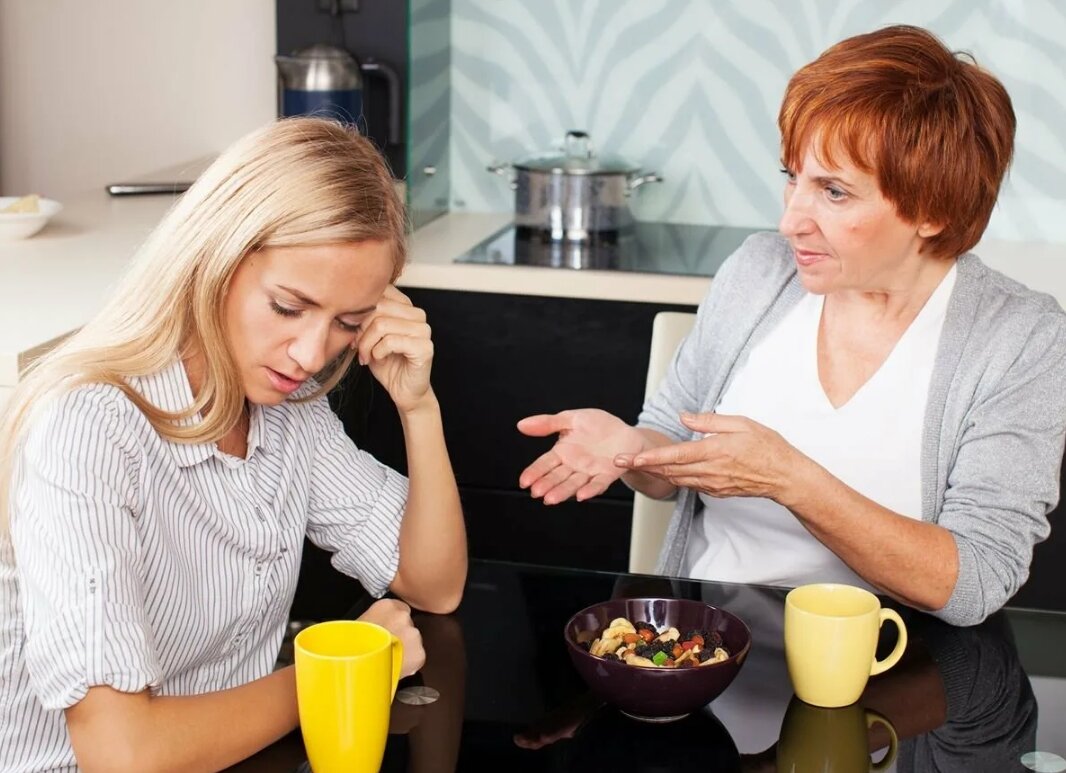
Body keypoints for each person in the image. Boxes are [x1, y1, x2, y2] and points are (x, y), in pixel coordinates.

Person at [517, 24, 1066, 627]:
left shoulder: (1021, 338)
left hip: (896, 684)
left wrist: (790, 479)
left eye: (833, 191)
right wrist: (631, 449)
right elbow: (669, 451)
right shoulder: (757, 271)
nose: (790, 222)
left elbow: (976, 581)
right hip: (708, 653)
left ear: (933, 209)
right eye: (792, 178)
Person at [0, 117, 468, 771]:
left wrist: (418, 406)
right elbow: (121, 753)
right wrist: (341, 670)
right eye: (288, 306)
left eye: (348, 323)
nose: (311, 353)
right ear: (215, 257)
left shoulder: (286, 411)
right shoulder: (88, 426)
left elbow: (433, 582)